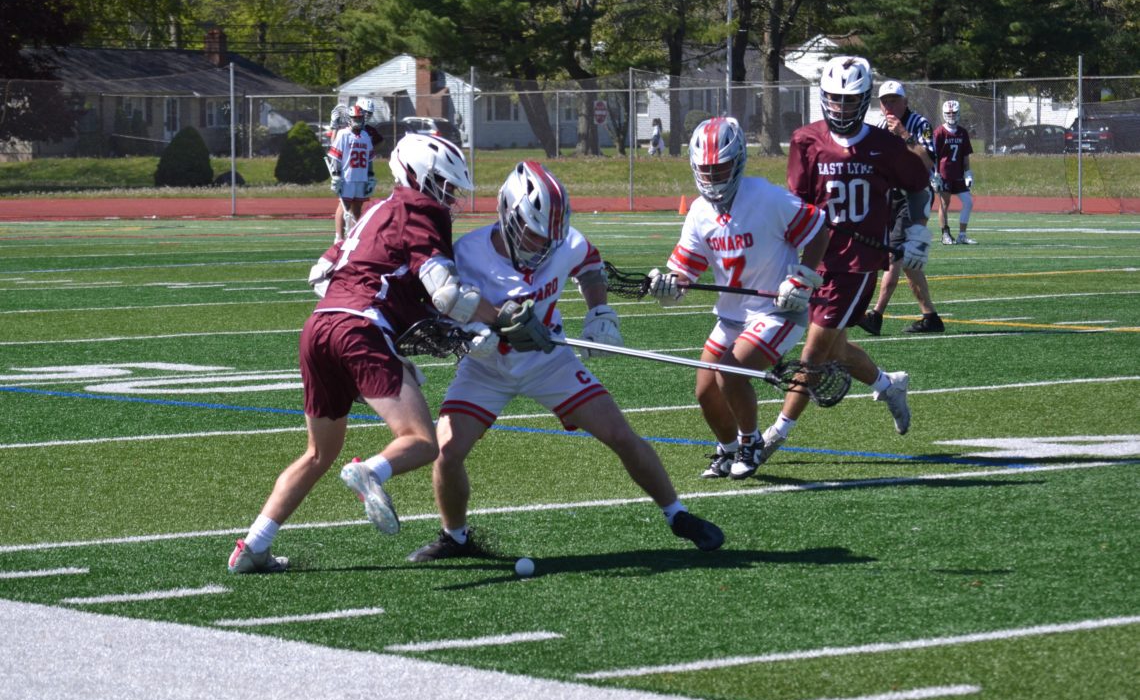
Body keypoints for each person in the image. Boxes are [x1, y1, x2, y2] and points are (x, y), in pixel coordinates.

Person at [228, 134, 534, 574]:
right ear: (416, 178)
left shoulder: (373, 212)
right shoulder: (420, 208)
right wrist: (497, 317)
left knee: (317, 453)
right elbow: (447, 294)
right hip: (360, 328)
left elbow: (323, 275)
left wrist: (443, 332)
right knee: (422, 442)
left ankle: (254, 544)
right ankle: (370, 471)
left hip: (318, 328)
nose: (448, 197)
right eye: (443, 185)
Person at [410, 160, 725, 562]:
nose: (542, 245)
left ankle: (677, 515)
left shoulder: (565, 243)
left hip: (548, 360)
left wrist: (599, 312)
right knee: (447, 451)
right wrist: (468, 333)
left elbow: (590, 265)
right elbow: (438, 306)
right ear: (508, 212)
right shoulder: (467, 252)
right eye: (534, 233)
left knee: (620, 434)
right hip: (486, 367)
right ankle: (454, 536)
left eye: (550, 237)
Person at [751, 56, 933, 468]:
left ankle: (772, 437)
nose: (841, 107)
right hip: (817, 258)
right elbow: (797, 206)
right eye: (834, 98)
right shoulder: (805, 140)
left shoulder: (884, 145)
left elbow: (920, 187)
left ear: (864, 99)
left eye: (850, 99)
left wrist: (919, 230)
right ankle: (889, 385)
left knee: (813, 356)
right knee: (837, 351)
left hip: (858, 261)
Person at [645, 117, 829, 480]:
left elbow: (819, 226)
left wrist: (804, 277)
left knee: (730, 375)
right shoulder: (699, 212)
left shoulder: (768, 197)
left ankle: (750, 443)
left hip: (777, 311)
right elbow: (686, 270)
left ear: (739, 161)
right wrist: (668, 286)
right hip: (732, 316)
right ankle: (728, 450)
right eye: (705, 170)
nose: (712, 177)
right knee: (704, 390)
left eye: (721, 168)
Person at [857, 81, 945, 335]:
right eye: (884, 101)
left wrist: (905, 136)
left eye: (894, 100)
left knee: (893, 255)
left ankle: (876, 314)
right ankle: (931, 316)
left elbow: (928, 162)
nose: (888, 105)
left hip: (914, 196)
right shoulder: (880, 126)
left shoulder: (920, 125)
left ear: (905, 102)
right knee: (908, 261)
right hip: (890, 197)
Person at [327, 102, 376, 242]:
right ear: (349, 119)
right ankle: (339, 237)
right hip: (347, 177)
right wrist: (336, 175)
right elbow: (335, 156)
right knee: (344, 206)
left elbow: (370, 159)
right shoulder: (343, 134)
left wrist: (371, 176)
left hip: (361, 177)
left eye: (360, 118)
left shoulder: (366, 136)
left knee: (358, 207)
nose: (358, 121)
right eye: (355, 118)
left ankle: (354, 236)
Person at [934, 99, 977, 245]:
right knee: (945, 203)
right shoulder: (939, 132)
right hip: (944, 174)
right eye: (948, 113)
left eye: (954, 113)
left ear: (959, 113)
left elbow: (965, 156)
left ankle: (962, 235)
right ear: (944, 114)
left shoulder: (963, 132)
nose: (951, 115)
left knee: (968, 202)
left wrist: (968, 172)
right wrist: (934, 174)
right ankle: (945, 234)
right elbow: (934, 155)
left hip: (958, 174)